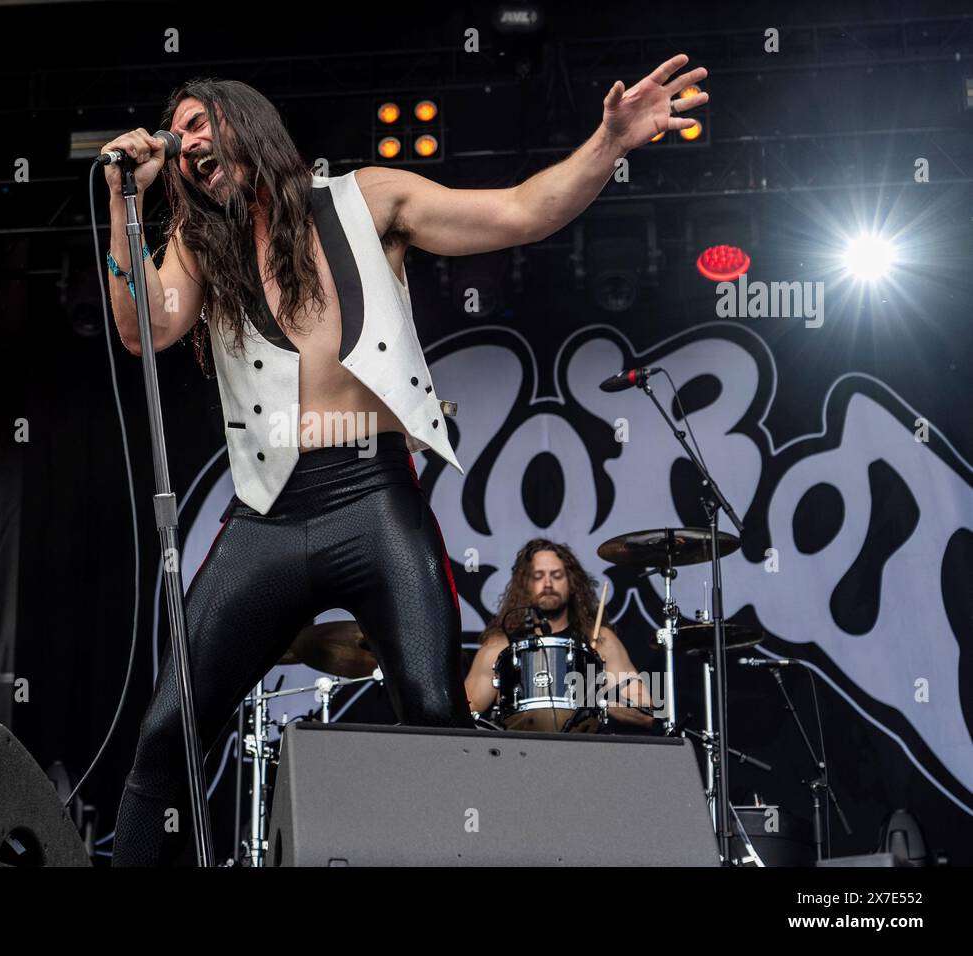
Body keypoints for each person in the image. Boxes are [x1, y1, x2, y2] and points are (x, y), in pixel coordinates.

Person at [105, 62, 707, 865]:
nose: (185, 142)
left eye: (199, 122)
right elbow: (143, 329)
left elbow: (523, 211)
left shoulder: (365, 199)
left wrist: (609, 140)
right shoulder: (197, 244)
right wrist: (122, 199)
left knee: (435, 718)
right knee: (164, 735)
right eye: (174, 137)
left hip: (371, 498)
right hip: (265, 513)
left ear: (247, 123)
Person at [465, 538, 656, 728]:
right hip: (519, 753)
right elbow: (460, 713)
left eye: (556, 575)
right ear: (525, 584)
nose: (548, 584)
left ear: (572, 583)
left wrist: (600, 697)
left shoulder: (599, 641)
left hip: (585, 753)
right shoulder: (501, 648)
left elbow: (646, 712)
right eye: (538, 576)